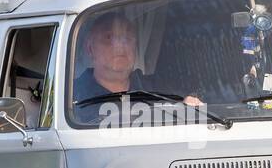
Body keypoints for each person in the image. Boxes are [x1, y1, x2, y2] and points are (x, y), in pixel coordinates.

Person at [71, 11, 202, 123]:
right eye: (108, 37)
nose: (120, 46)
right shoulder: (71, 98)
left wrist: (189, 104)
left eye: (127, 38)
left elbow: (192, 105)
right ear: (90, 48)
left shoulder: (158, 90)